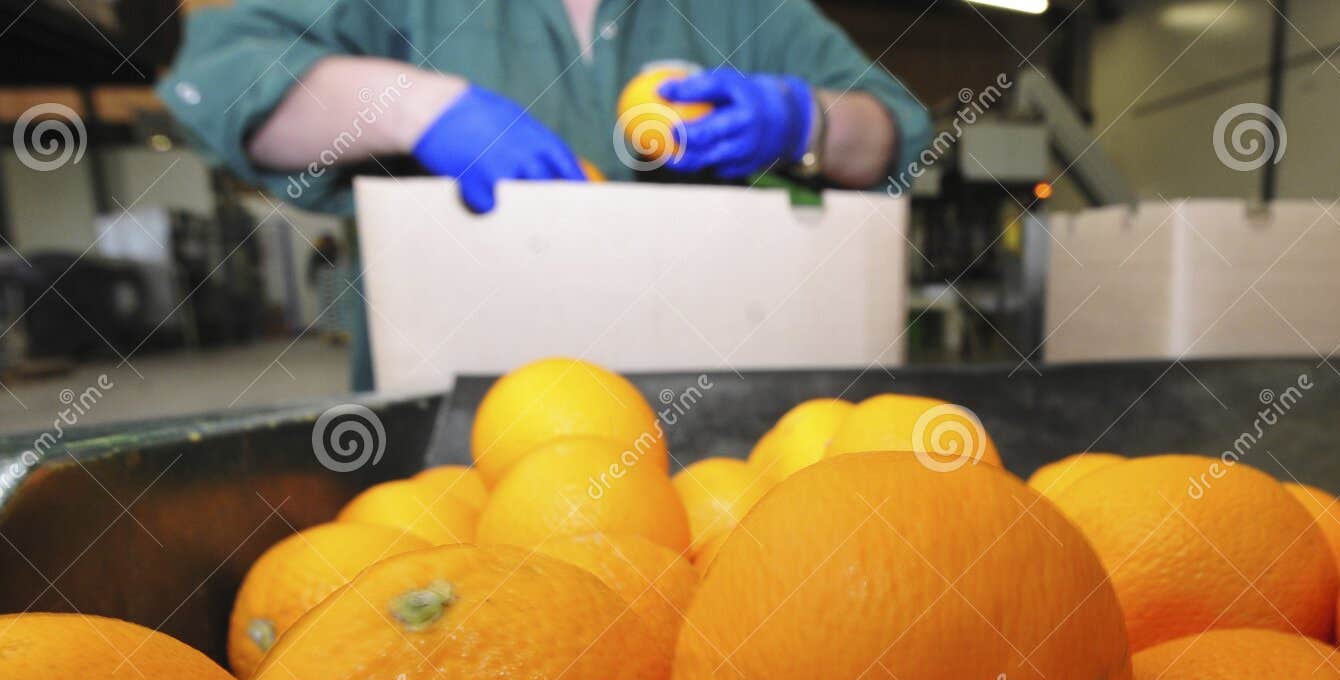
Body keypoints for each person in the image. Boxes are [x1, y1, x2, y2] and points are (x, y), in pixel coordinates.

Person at [158, 0, 932, 388]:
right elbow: (220, 84)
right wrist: (418, 109)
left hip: (714, 432)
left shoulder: (740, 10)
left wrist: (809, 121)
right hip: (460, 453)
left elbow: (898, 131)